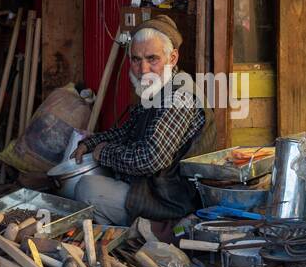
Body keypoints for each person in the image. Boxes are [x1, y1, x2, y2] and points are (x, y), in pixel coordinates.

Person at [70, 16, 206, 226]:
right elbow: (127, 131)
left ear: (172, 58)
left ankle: (144, 233)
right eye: (136, 59)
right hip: (153, 189)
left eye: (152, 59)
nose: (143, 69)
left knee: (86, 188)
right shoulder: (156, 89)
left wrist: (103, 152)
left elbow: (150, 159)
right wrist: (92, 143)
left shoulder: (178, 98)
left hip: (172, 202)